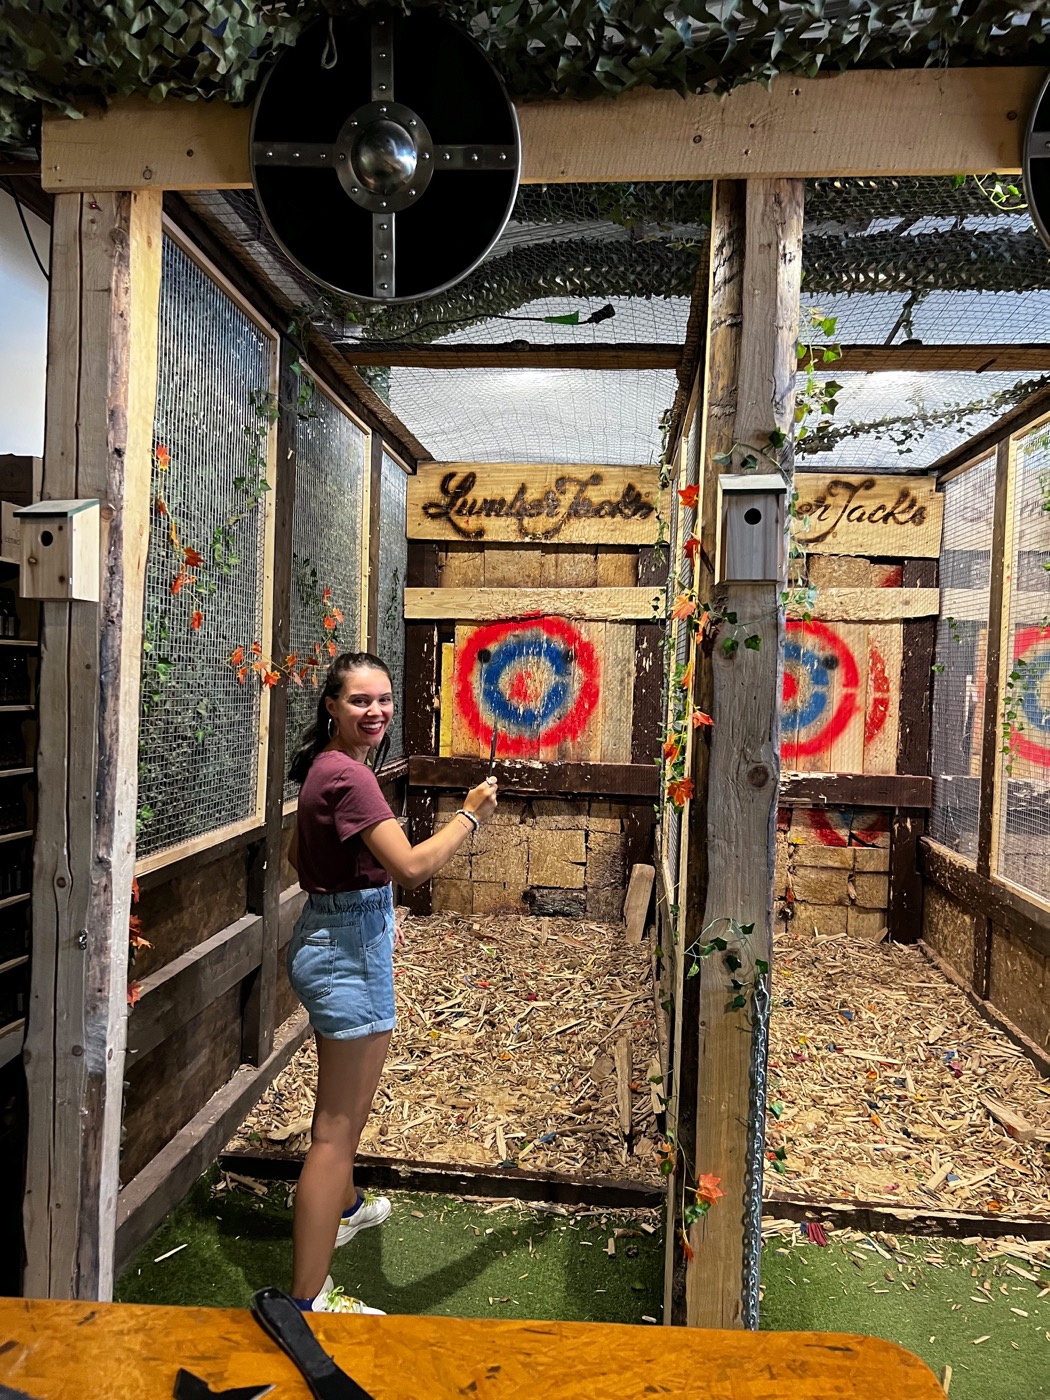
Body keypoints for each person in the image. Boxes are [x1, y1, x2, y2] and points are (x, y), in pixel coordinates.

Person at [285, 650, 498, 1314]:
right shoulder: (354, 778)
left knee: (342, 1121)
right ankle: (309, 1300)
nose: (374, 711)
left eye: (382, 699)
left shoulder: (326, 768)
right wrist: (469, 816)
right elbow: (411, 867)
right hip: (345, 956)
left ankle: (345, 1210)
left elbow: (303, 856)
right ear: (331, 706)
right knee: (334, 1133)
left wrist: (366, 909)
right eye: (358, 701)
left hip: (337, 936)